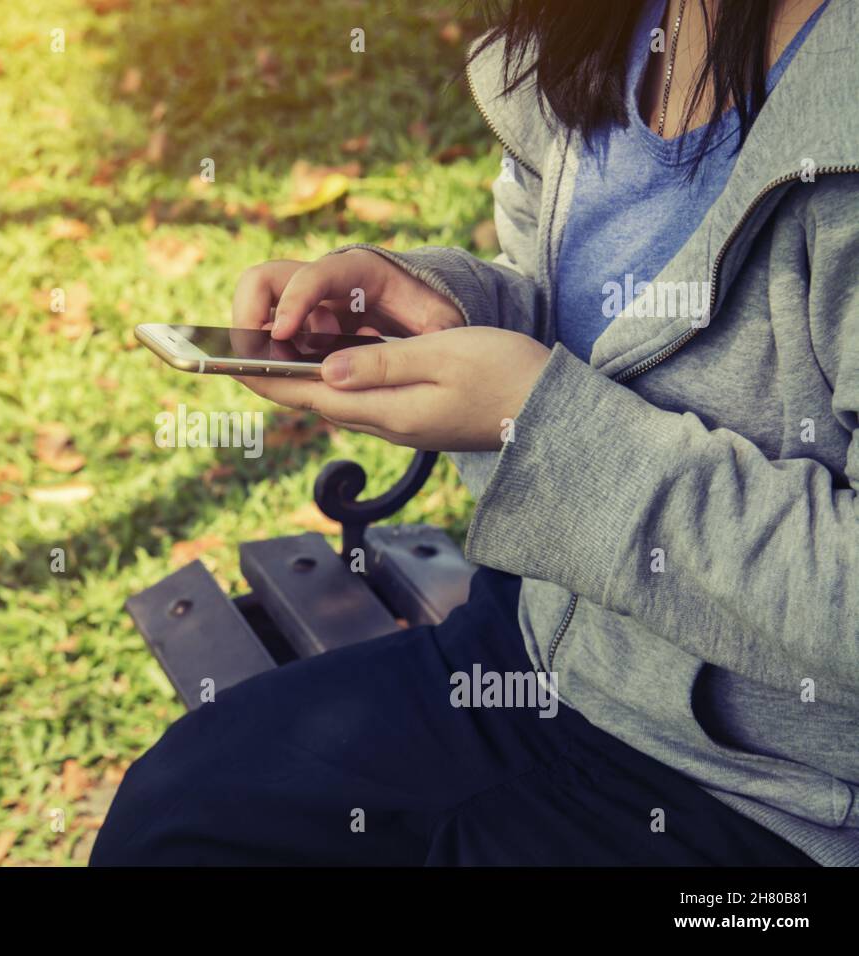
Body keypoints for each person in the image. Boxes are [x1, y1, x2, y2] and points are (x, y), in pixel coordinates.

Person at [92, 0, 858, 865]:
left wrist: (545, 430)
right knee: (177, 818)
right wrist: (442, 303)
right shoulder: (609, 27)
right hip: (543, 646)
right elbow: (599, 326)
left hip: (778, 805)